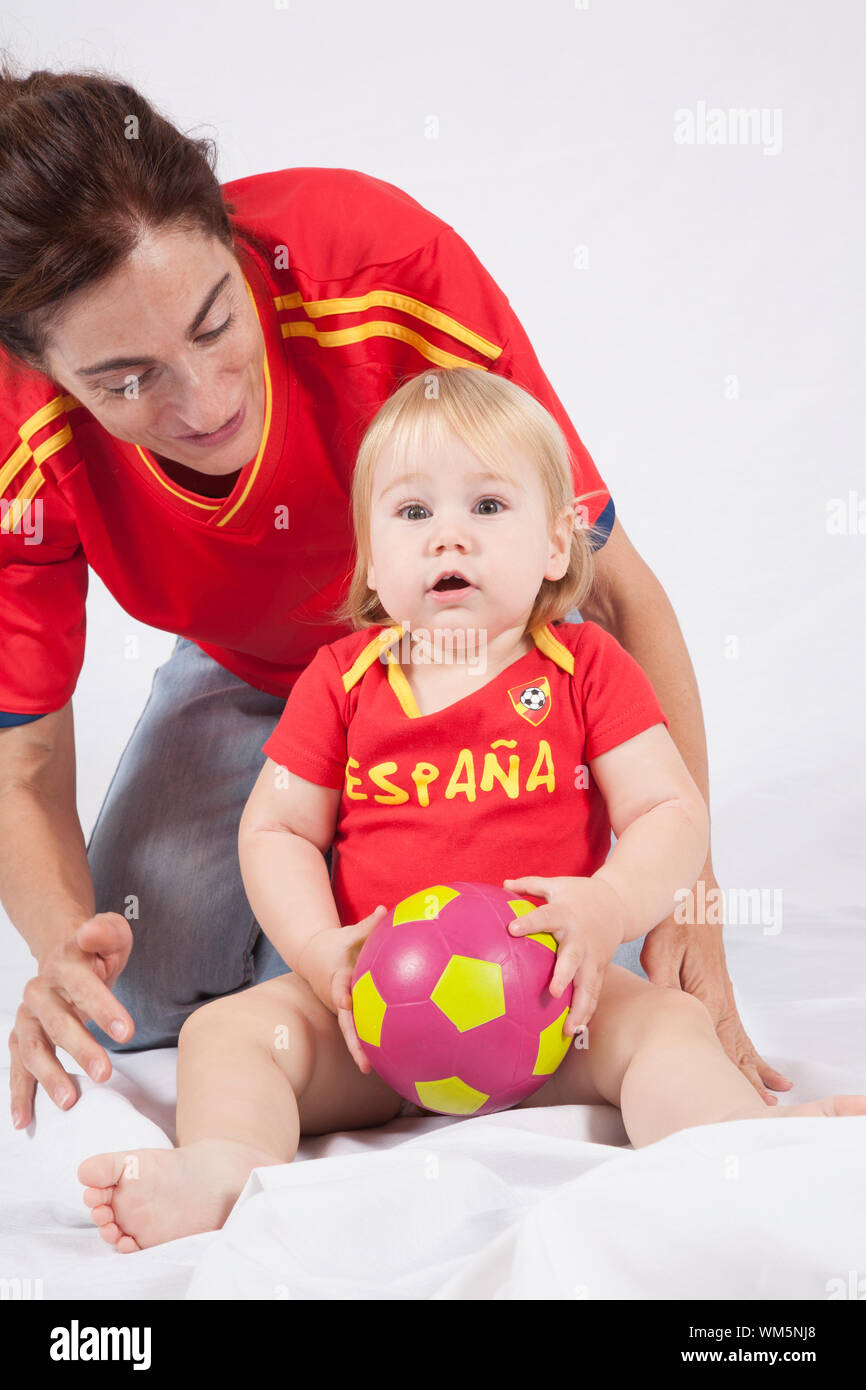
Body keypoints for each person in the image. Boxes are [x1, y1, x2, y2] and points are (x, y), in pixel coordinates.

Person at [0, 59, 788, 1137]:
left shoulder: (374, 260)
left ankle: (409, 870)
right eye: (128, 380)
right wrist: (61, 954)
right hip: (245, 673)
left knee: (541, 963)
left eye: (213, 322)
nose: (206, 398)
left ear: (228, 231)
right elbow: (24, 761)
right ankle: (346, 889)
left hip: (475, 663)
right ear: (42, 370)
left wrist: (685, 894)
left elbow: (613, 587)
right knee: (135, 995)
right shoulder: (21, 444)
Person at [77, 368, 865, 1252]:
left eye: (489, 507)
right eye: (413, 514)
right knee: (228, 1033)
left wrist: (604, 909)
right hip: (374, 1022)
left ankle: (734, 1148)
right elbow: (277, 830)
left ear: (560, 545)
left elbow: (669, 812)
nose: (449, 534)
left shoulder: (583, 667)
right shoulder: (344, 682)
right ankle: (225, 1167)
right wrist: (315, 950)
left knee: (670, 1031)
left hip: (560, 1014)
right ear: (373, 559)